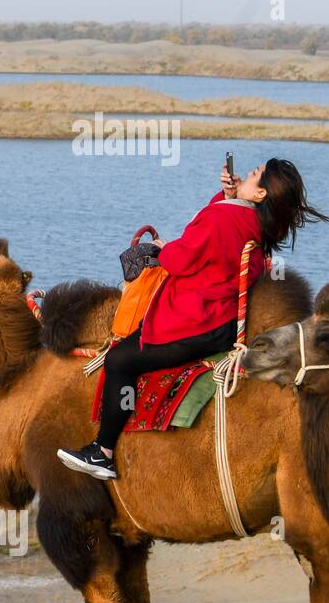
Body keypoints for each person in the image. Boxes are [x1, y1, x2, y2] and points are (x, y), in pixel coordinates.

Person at [59, 158, 326, 479]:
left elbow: (181, 259)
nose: (247, 174)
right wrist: (230, 193)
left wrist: (161, 248)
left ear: (260, 195)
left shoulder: (223, 218)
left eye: (254, 176)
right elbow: (220, 233)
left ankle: (103, 452)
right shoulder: (256, 220)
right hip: (222, 319)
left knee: (119, 360)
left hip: (198, 323)